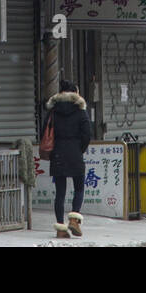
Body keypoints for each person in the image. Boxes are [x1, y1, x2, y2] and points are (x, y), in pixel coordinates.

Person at [44, 79, 92, 239]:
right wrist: (80, 149)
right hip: (75, 152)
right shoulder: (80, 111)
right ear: (74, 93)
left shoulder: (53, 111)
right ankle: (74, 219)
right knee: (79, 188)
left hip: (57, 153)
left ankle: (60, 228)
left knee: (60, 192)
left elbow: (45, 130)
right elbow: (87, 134)